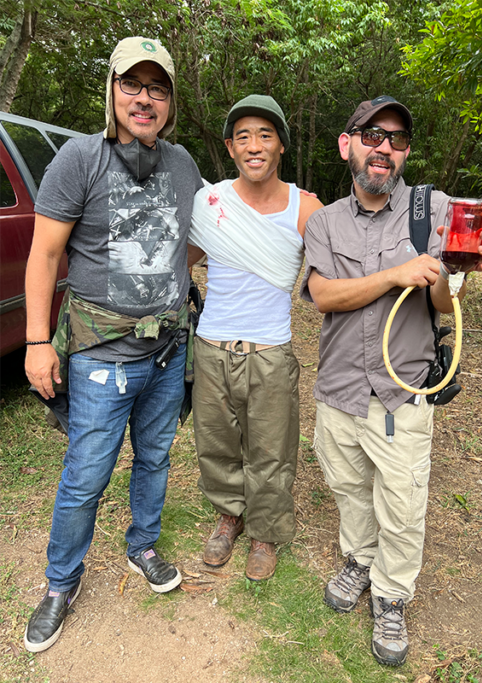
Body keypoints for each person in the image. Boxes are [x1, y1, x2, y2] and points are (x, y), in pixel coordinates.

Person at [22, 37, 205, 653]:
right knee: (85, 475)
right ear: (113, 90)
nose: (144, 99)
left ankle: (142, 547)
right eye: (133, 85)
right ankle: (59, 585)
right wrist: (36, 342)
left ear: (171, 100)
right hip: (101, 352)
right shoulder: (80, 159)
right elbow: (45, 254)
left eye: (157, 88)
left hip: (168, 350)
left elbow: (197, 238)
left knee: (155, 459)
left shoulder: (183, 165)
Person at [300, 96, 482, 666]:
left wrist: (450, 271)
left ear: (405, 154)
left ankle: (390, 594)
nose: (384, 147)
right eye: (372, 135)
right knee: (349, 488)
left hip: (400, 394)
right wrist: (396, 274)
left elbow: (441, 298)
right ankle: (360, 559)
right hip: (338, 391)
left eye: (397, 139)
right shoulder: (325, 222)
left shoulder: (430, 209)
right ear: (348, 144)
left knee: (403, 505)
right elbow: (323, 296)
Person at [187, 95, 323, 581]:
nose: (254, 146)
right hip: (212, 345)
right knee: (216, 443)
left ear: (281, 145)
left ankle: (265, 532)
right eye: (243, 136)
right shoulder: (211, 203)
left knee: (272, 447)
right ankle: (230, 515)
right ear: (229, 147)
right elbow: (186, 260)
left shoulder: (305, 208)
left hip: (269, 350)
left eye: (265, 135)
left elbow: (331, 275)